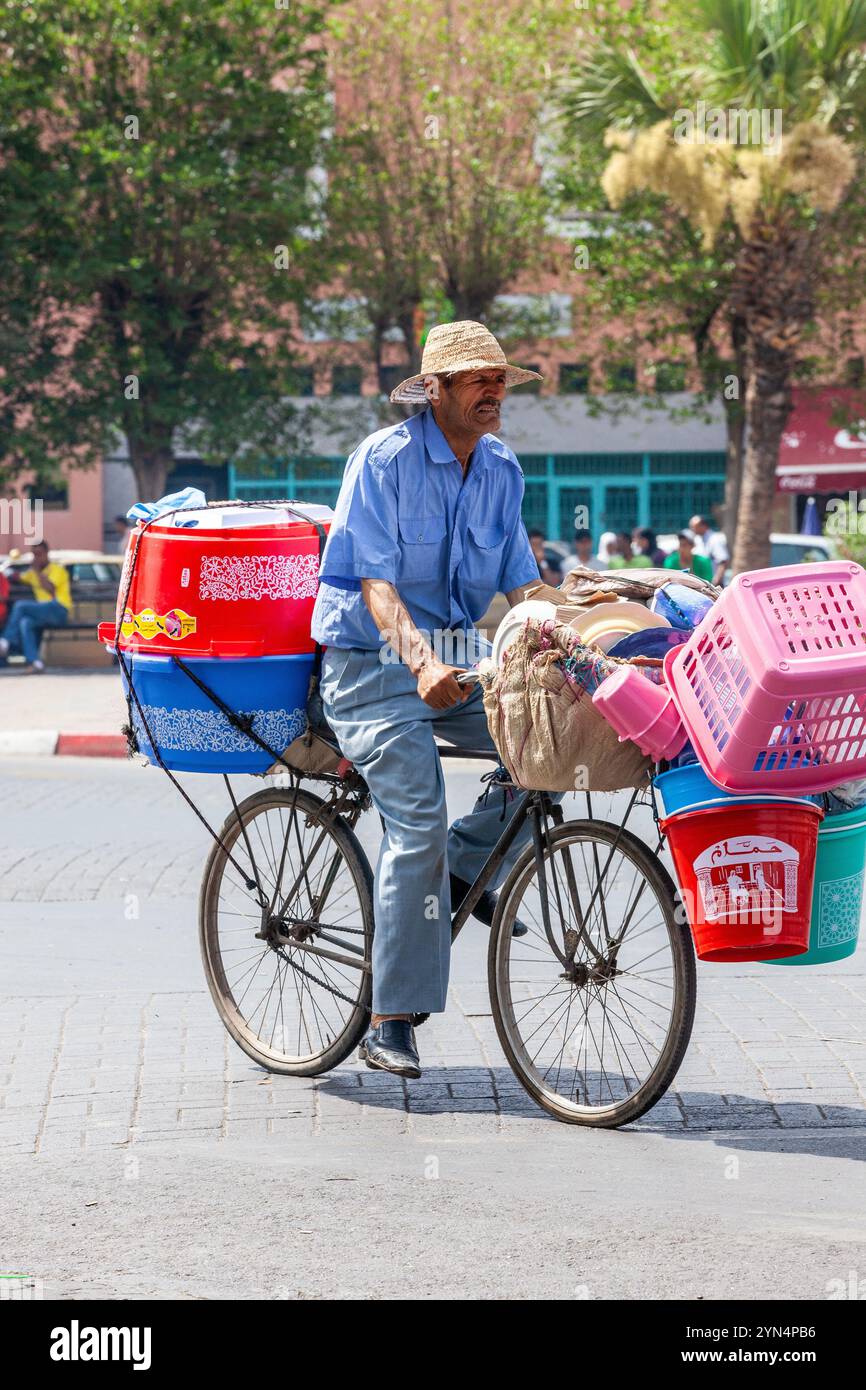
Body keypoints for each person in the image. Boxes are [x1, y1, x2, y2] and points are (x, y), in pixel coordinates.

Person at [311, 320, 555, 1080]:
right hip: (369, 665)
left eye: (499, 381)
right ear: (436, 390)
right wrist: (418, 665)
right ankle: (390, 1018)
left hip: (455, 655)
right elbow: (375, 584)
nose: (493, 393)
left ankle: (464, 871)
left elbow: (524, 582)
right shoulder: (381, 462)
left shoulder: (501, 468)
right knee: (417, 822)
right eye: (478, 380)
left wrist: (576, 644)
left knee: (552, 738)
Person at [0, 541, 71, 672]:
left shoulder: (57, 570)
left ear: (46, 553)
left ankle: (5, 641)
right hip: (43, 613)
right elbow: (19, 577)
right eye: (34, 555)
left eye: (39, 554)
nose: (36, 558)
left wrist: (37, 571)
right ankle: (35, 662)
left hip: (59, 609)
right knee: (26, 622)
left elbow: (50, 588)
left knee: (21, 606)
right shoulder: (32, 574)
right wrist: (8, 572)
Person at [689, 514, 729, 586]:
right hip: (701, 583)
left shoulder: (715, 539)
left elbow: (723, 561)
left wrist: (716, 580)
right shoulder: (698, 539)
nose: (692, 529)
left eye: (694, 527)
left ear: (703, 526)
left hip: (713, 584)